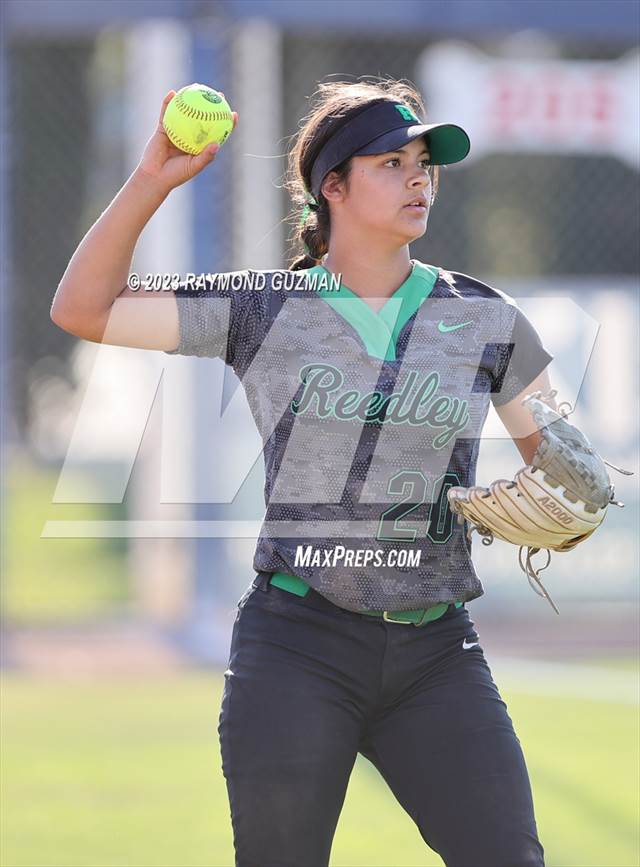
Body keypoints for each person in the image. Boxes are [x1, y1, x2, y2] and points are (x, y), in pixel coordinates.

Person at [51, 77, 550, 866]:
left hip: (436, 651)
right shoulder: (265, 306)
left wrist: (568, 497)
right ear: (334, 188)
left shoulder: (487, 316)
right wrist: (152, 180)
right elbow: (83, 307)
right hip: (299, 645)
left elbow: (557, 458)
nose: (419, 179)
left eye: (424, 164)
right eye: (392, 163)